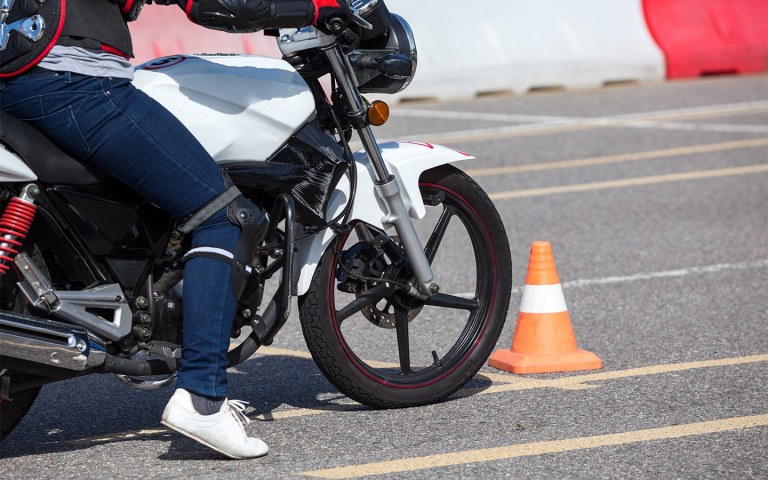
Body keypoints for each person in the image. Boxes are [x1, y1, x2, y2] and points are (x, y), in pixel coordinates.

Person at [0, 0, 353, 460]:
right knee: (225, 216)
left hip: (15, 79)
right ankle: (203, 400)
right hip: (72, 80)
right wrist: (316, 7)